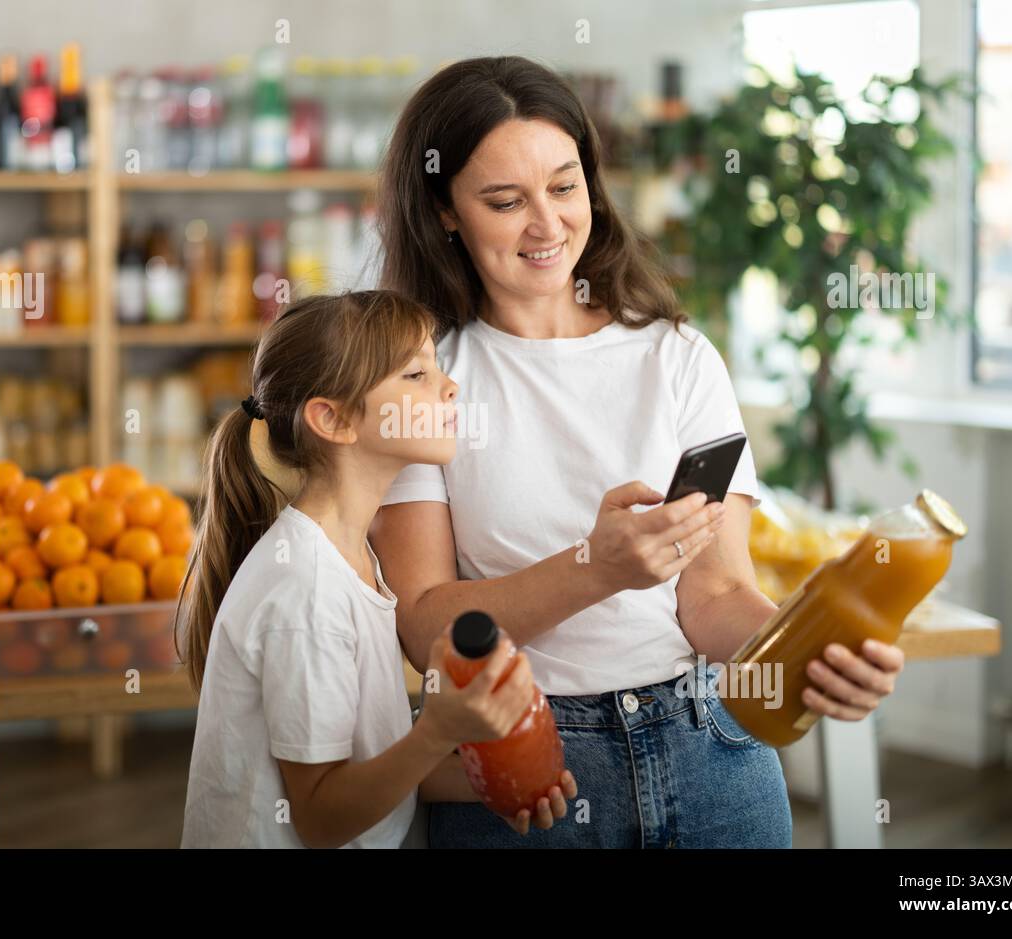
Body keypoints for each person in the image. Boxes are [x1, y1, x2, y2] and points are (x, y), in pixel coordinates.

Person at [370, 57, 905, 848]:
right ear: (445, 211)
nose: (547, 225)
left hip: (712, 751)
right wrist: (598, 568)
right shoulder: (424, 380)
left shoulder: (679, 358)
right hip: (527, 774)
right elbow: (425, 627)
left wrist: (804, 652)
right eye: (504, 201)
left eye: (564, 185)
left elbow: (715, 591)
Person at [178, 290, 576, 848]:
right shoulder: (306, 590)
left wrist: (502, 786)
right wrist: (438, 730)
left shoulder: (355, 558)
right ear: (334, 419)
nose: (449, 386)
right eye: (415, 375)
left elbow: (373, 766)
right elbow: (321, 818)